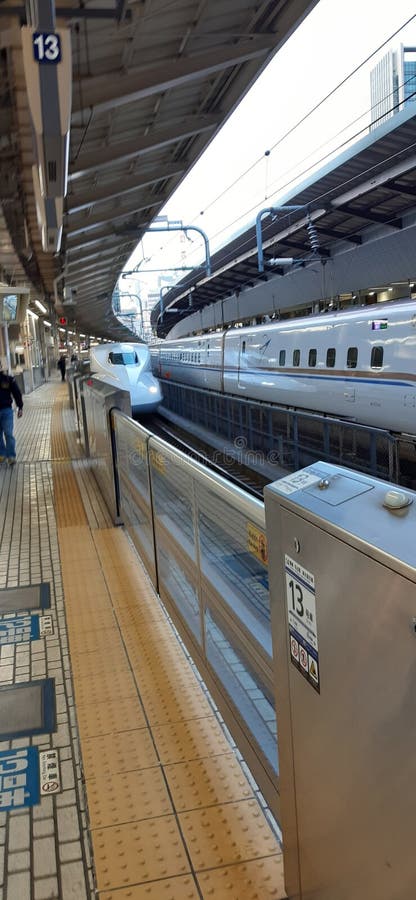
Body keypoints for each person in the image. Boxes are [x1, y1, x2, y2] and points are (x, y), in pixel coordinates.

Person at [0, 368, 23, 466]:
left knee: (8, 433)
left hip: (6, 410)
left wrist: (20, 407)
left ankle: (11, 456)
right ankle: (2, 454)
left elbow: (16, 392)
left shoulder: (8, 379)